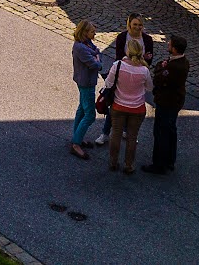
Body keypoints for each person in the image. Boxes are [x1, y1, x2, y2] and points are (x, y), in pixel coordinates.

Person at [102, 36, 154, 174]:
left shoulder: (118, 65)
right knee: (132, 137)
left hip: (118, 106)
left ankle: (113, 162)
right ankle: (129, 165)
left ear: (127, 51)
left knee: (116, 134)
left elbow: (108, 83)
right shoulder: (144, 70)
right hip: (137, 108)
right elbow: (149, 87)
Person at [143, 33, 189, 174]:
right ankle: (169, 160)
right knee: (170, 130)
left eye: (170, 44)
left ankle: (159, 164)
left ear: (174, 49)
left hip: (167, 102)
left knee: (161, 132)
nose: (167, 45)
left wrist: (161, 67)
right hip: (175, 101)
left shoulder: (173, 66)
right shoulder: (183, 62)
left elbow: (158, 78)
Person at [70, 20, 102, 159]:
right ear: (85, 32)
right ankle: (76, 143)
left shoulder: (86, 43)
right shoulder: (81, 48)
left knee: (82, 110)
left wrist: (97, 57)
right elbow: (95, 64)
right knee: (89, 115)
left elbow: (97, 52)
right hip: (86, 83)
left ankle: (77, 137)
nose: (95, 34)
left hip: (85, 81)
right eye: (92, 32)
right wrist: (97, 60)